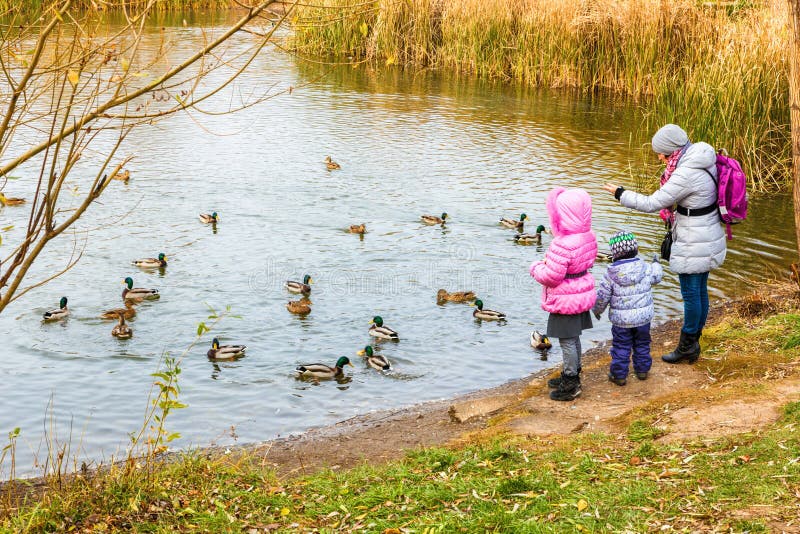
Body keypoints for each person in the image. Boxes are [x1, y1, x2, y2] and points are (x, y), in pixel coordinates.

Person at [603, 124, 726, 364]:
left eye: (663, 153)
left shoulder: (686, 172)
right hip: (707, 232)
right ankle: (694, 340)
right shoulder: (703, 158)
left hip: (694, 239)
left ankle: (687, 345)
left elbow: (652, 203)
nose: (660, 157)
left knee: (691, 293)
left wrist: (621, 193)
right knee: (699, 289)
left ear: (673, 150)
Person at [530, 187, 597, 401]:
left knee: (566, 340)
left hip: (565, 297)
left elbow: (552, 277)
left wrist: (536, 267)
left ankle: (571, 383)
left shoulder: (561, 244)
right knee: (574, 336)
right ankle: (573, 372)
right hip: (581, 292)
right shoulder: (588, 236)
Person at [592, 231, 663, 385]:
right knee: (642, 343)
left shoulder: (610, 274)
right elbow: (657, 276)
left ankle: (619, 375)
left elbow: (602, 297)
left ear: (614, 253)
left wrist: (597, 311)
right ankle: (642, 370)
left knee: (621, 346)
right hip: (643, 318)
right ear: (635, 249)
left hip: (621, 321)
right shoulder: (645, 268)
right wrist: (656, 263)